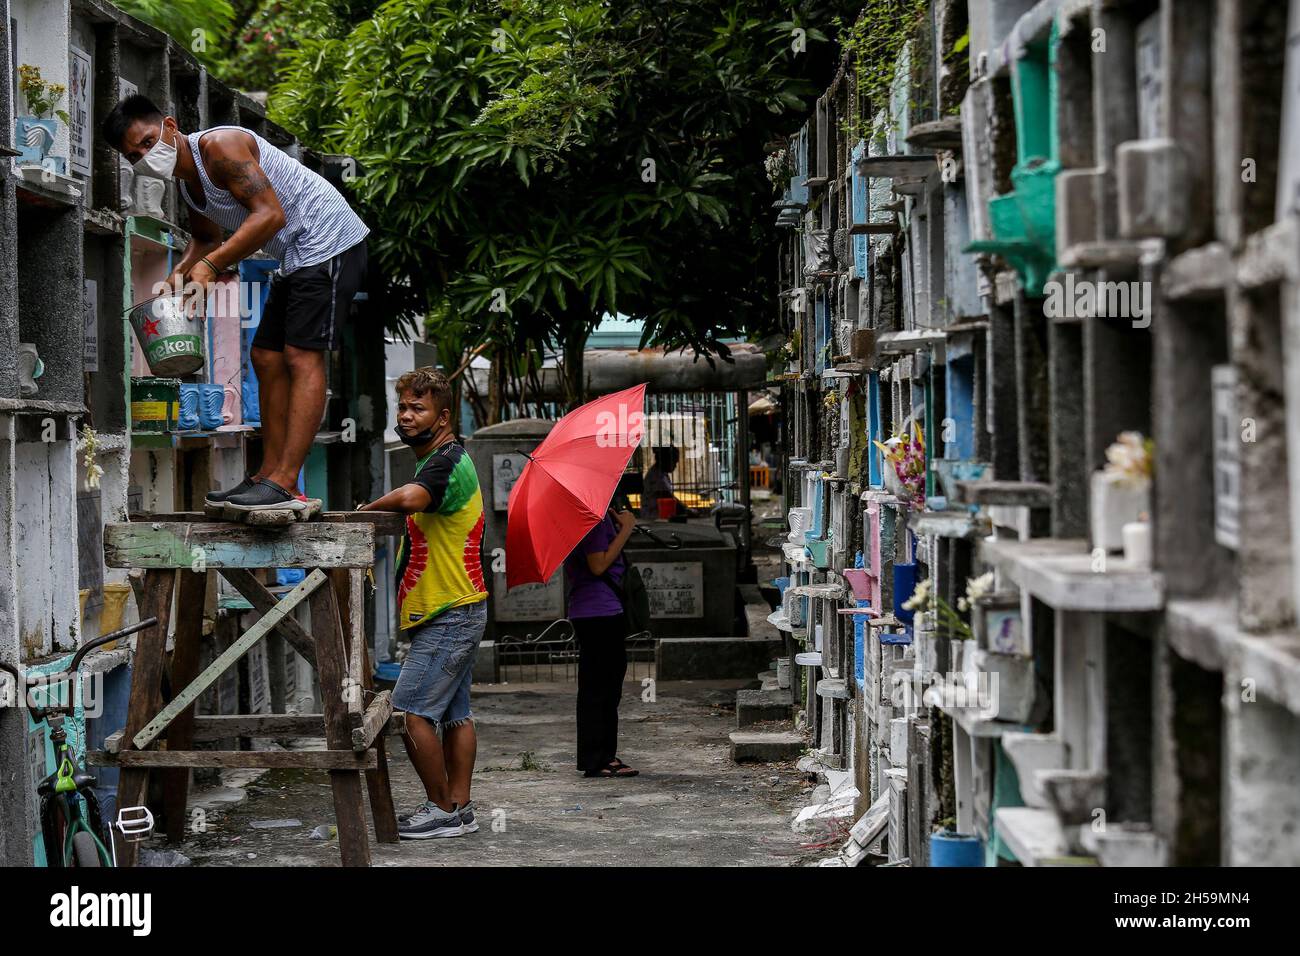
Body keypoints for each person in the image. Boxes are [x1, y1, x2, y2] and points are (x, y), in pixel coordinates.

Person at [102, 94, 369, 515]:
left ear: (170, 126)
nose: (144, 156)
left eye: (148, 141)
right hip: (296, 255)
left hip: (329, 240)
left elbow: (268, 215)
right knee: (264, 355)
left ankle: (286, 483)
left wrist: (209, 266)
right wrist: (181, 272)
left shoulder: (220, 147)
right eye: (134, 154)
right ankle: (267, 475)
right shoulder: (190, 185)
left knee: (301, 355)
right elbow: (207, 240)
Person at [359, 368, 488, 838]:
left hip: (449, 613)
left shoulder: (445, 461)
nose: (407, 417)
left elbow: (413, 497)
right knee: (455, 713)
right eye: (404, 408)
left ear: (444, 415)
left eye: (419, 408)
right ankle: (460, 806)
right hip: (458, 607)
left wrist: (367, 510)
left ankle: (441, 809)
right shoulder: (444, 458)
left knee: (411, 712)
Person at [564, 506, 640, 778]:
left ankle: (603, 755)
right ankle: (597, 758)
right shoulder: (591, 520)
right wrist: (627, 529)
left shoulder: (591, 518)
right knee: (600, 688)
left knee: (604, 687)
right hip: (599, 612)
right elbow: (598, 565)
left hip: (596, 610)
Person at [641, 446, 683, 518]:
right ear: (665, 460)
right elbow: (670, 499)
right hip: (653, 517)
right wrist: (686, 509)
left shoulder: (662, 474)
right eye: (674, 462)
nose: (675, 465)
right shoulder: (656, 477)